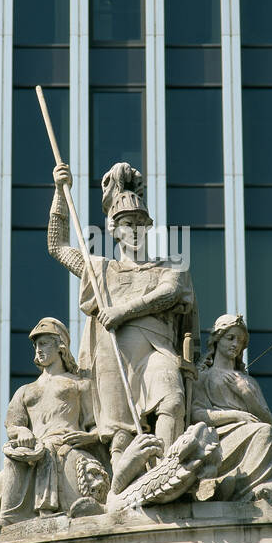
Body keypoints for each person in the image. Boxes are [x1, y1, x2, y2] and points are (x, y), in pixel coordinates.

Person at [47, 160, 198, 481]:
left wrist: (121, 312)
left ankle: (167, 468)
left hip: (154, 352)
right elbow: (57, 246)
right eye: (126, 222)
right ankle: (121, 476)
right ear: (114, 229)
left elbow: (168, 295)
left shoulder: (169, 268)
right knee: (117, 429)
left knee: (170, 392)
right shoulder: (100, 269)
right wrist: (60, 191)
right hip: (111, 357)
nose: (134, 229)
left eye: (140, 223)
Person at [191, 312, 272, 543]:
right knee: (262, 432)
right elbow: (197, 414)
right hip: (220, 434)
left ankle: (261, 491)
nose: (235, 344)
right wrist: (235, 415)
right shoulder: (203, 377)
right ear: (216, 340)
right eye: (230, 338)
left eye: (240, 341)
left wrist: (247, 395)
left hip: (252, 432)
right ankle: (244, 491)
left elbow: (268, 420)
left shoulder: (247, 381)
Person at [0, 318, 109, 530]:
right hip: (34, 449)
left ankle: (9, 520)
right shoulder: (25, 390)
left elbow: (98, 425)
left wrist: (89, 437)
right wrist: (22, 430)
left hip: (66, 445)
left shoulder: (80, 384)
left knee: (39, 453)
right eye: (36, 345)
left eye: (43, 343)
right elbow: (13, 425)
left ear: (60, 345)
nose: (38, 350)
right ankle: (9, 516)